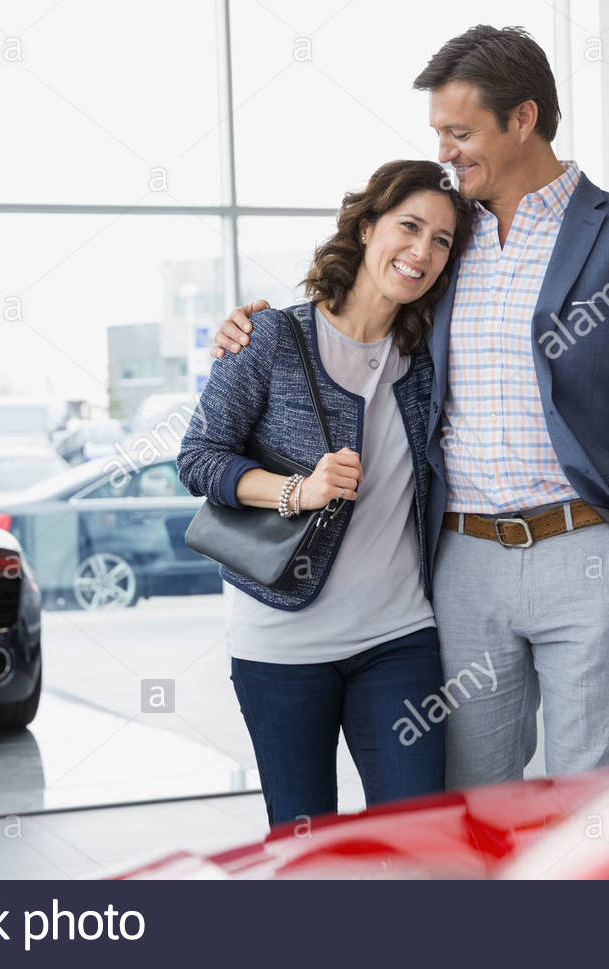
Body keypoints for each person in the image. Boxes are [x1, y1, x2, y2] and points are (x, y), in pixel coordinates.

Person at [211, 26, 609, 786]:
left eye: (460, 131)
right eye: (438, 133)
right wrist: (253, 325)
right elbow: (359, 315)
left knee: (592, 802)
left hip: (588, 557)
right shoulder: (445, 241)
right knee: (471, 803)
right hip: (461, 562)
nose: (445, 150)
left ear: (522, 119)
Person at [177, 160, 473, 826]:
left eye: (443, 240)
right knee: (303, 850)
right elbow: (197, 458)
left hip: (399, 640)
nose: (423, 250)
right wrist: (296, 492)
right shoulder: (271, 338)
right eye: (409, 226)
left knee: (419, 840)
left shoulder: (427, 357)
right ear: (367, 227)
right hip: (282, 648)